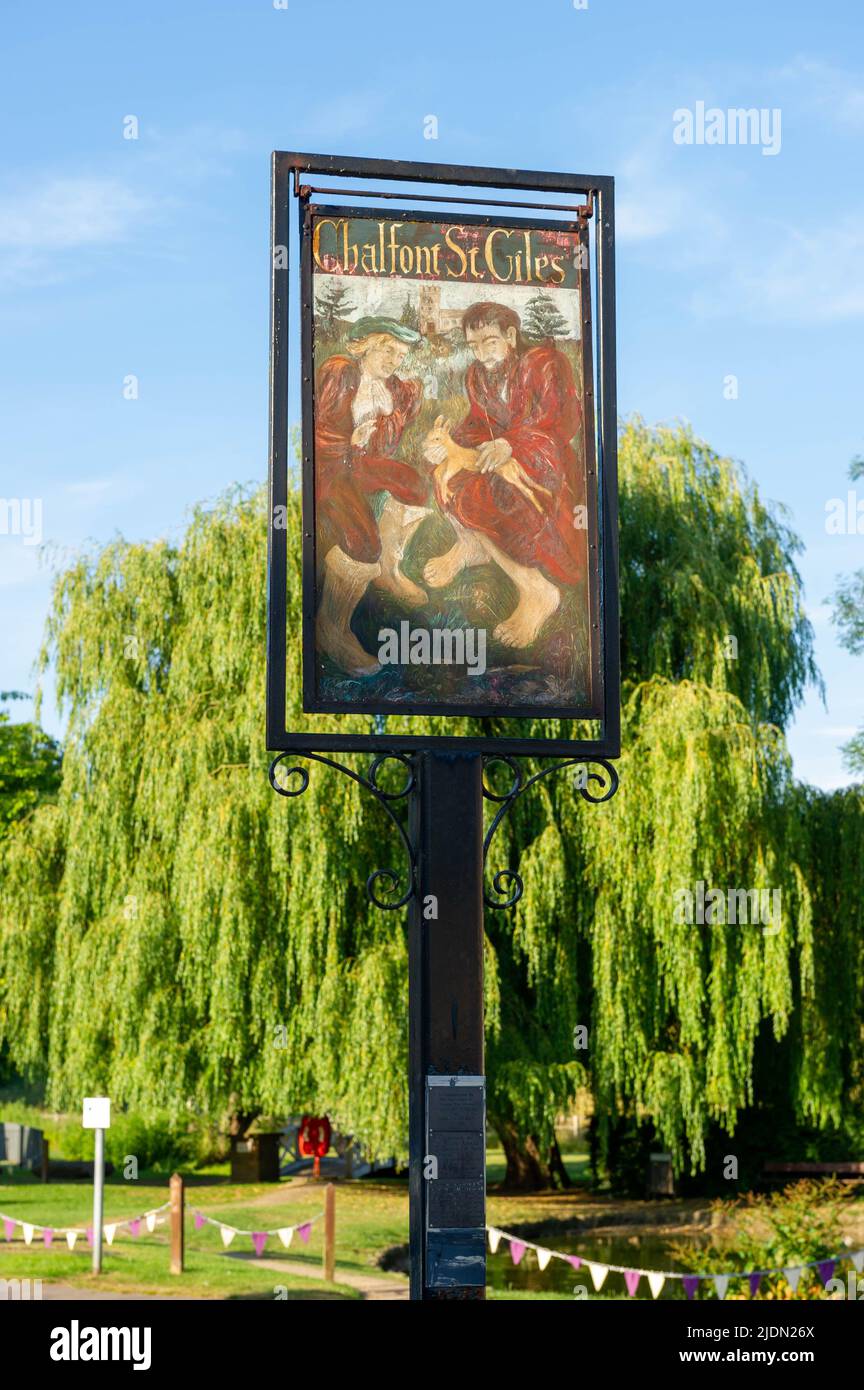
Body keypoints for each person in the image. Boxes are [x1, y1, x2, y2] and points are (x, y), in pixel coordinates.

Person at [423, 301, 586, 649]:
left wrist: (513, 446)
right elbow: (479, 425)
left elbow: (562, 421)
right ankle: (472, 545)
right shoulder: (478, 375)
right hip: (502, 454)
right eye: (473, 346)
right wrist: (447, 446)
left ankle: (537, 590)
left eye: (489, 342)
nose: (481, 354)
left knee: (494, 488)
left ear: (510, 335)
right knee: (446, 473)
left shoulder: (544, 363)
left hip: (546, 463)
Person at [315, 316, 431, 676]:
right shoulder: (341, 373)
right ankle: (332, 626)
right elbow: (317, 432)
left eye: (399, 353)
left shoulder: (392, 388)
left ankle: (389, 570)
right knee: (362, 540)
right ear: (363, 345)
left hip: (361, 461)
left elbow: (384, 444)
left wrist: (392, 420)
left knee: (415, 486)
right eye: (386, 349)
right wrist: (348, 444)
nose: (393, 359)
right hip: (332, 465)